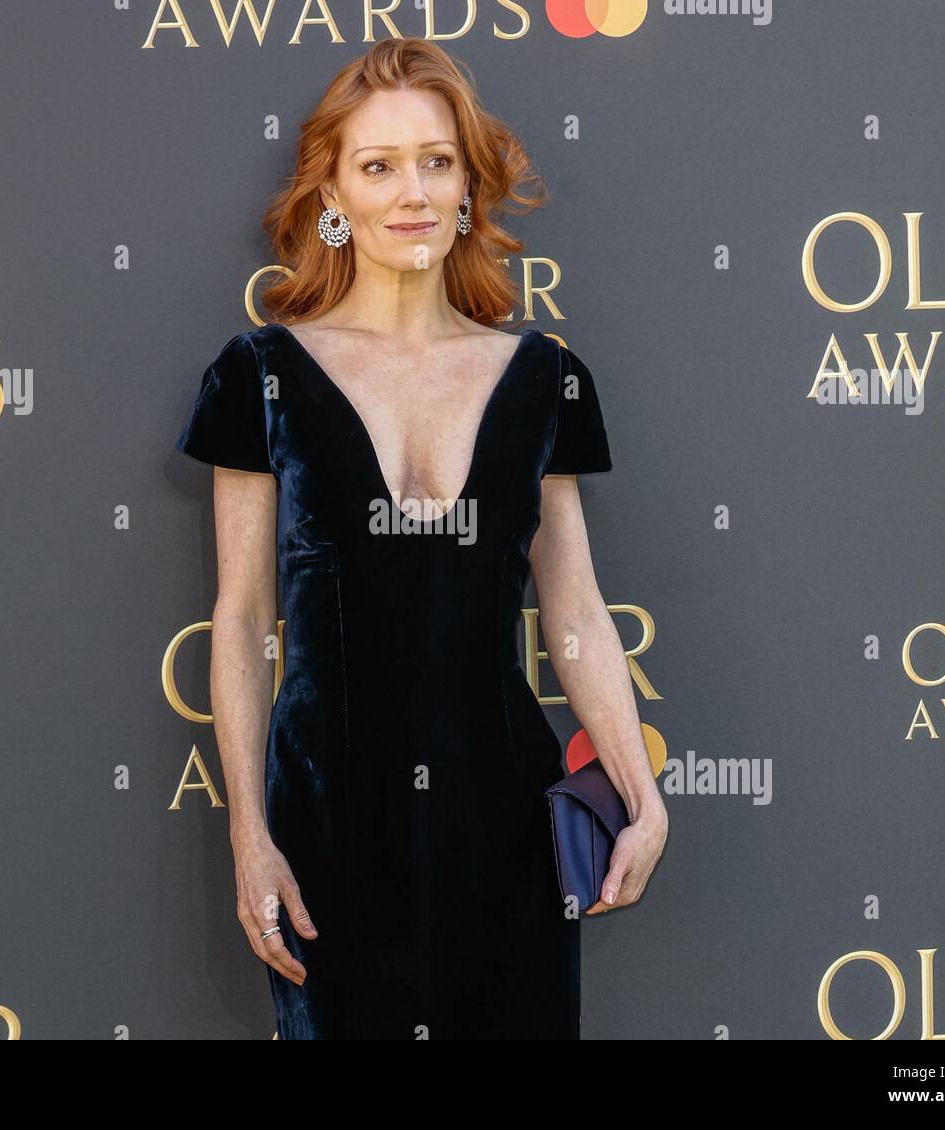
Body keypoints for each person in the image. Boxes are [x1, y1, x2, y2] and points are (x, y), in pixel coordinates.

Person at [176, 37, 667, 1040]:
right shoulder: (259, 373)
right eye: (379, 164)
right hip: (328, 824)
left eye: (436, 161)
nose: (411, 191)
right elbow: (239, 616)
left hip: (507, 824)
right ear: (333, 194)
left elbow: (572, 609)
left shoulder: (542, 377)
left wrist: (642, 795)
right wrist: (248, 834)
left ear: (467, 187)